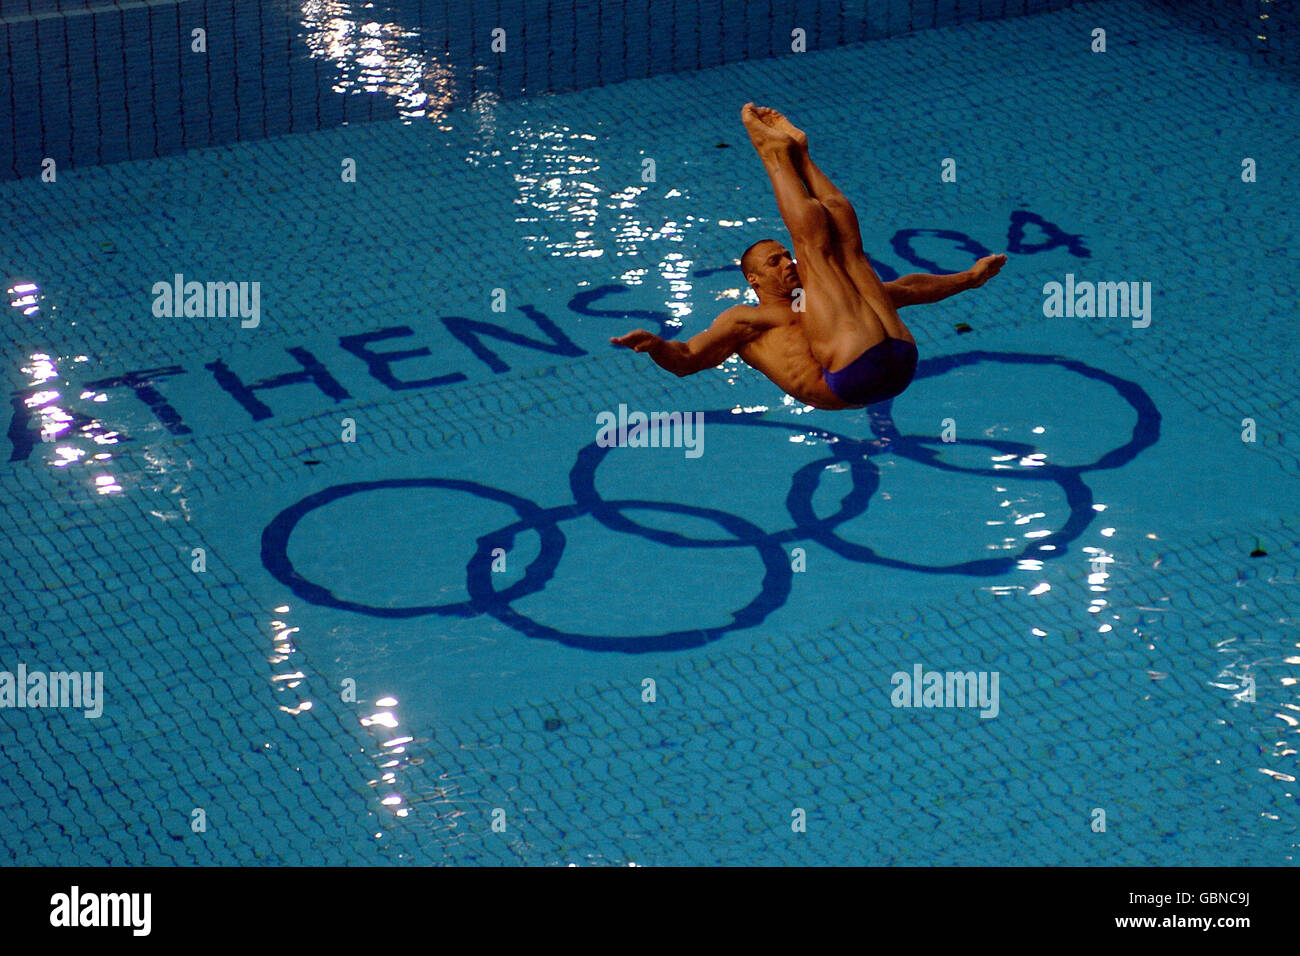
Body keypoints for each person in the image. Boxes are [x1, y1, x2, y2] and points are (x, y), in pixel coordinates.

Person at [612, 104, 1006, 410]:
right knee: (818, 251)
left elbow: (906, 289)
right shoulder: (745, 321)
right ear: (754, 281)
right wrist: (657, 346)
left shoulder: (824, 302)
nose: (786, 263)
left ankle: (799, 154)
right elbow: (687, 358)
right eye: (773, 262)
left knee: (850, 252)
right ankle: (775, 155)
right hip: (850, 376)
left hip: (899, 359)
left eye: (784, 257)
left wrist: (969, 278)